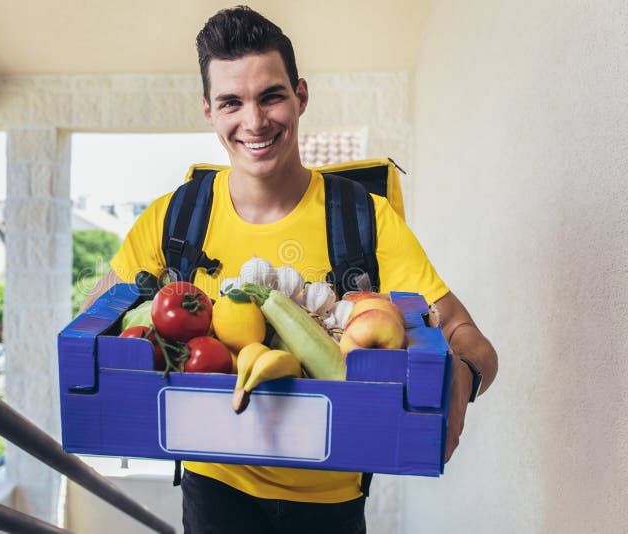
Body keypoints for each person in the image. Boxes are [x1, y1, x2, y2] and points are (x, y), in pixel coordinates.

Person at [81, 6, 497, 533]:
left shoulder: (363, 218)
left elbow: (470, 339)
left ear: (300, 95)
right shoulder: (174, 219)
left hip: (332, 499)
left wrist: (462, 377)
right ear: (208, 110)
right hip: (214, 488)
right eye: (231, 102)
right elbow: (98, 322)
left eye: (271, 96)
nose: (254, 122)